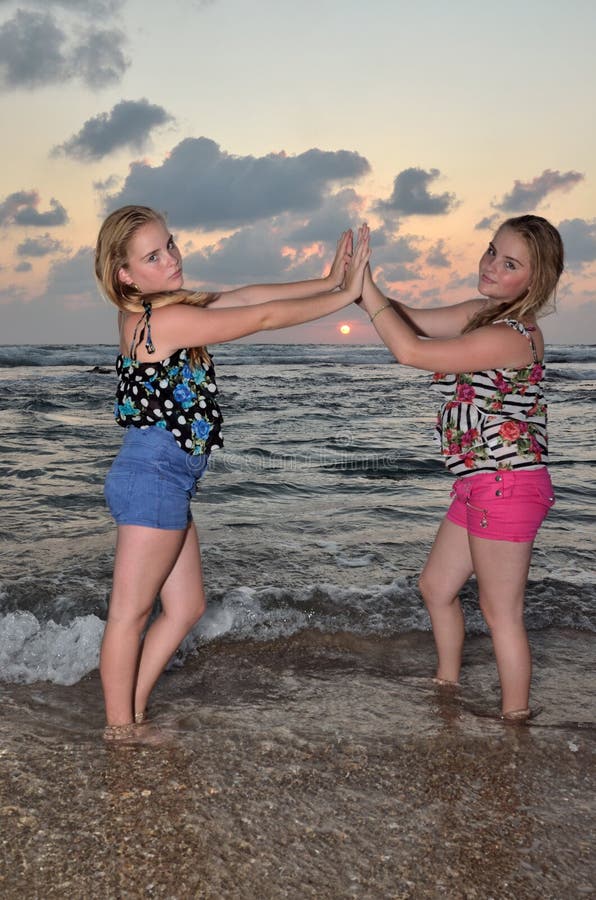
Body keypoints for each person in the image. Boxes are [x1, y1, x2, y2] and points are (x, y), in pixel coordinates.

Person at [95, 205, 370, 740]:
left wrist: (326, 279)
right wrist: (343, 297)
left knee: (187, 605)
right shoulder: (164, 321)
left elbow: (246, 296)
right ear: (125, 274)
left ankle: (135, 710)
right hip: (152, 475)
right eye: (153, 256)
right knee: (129, 615)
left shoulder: (163, 308)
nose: (171, 259)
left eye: (170, 245)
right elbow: (260, 318)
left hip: (166, 476)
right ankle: (119, 731)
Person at [358, 215, 564, 720]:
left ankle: (516, 721)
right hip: (479, 485)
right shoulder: (482, 314)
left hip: (507, 485)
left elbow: (412, 351)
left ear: (534, 282)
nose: (491, 265)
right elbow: (410, 319)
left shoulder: (514, 336)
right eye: (492, 250)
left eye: (509, 263)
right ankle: (446, 684)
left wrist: (362, 286)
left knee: (501, 615)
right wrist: (361, 284)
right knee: (436, 586)